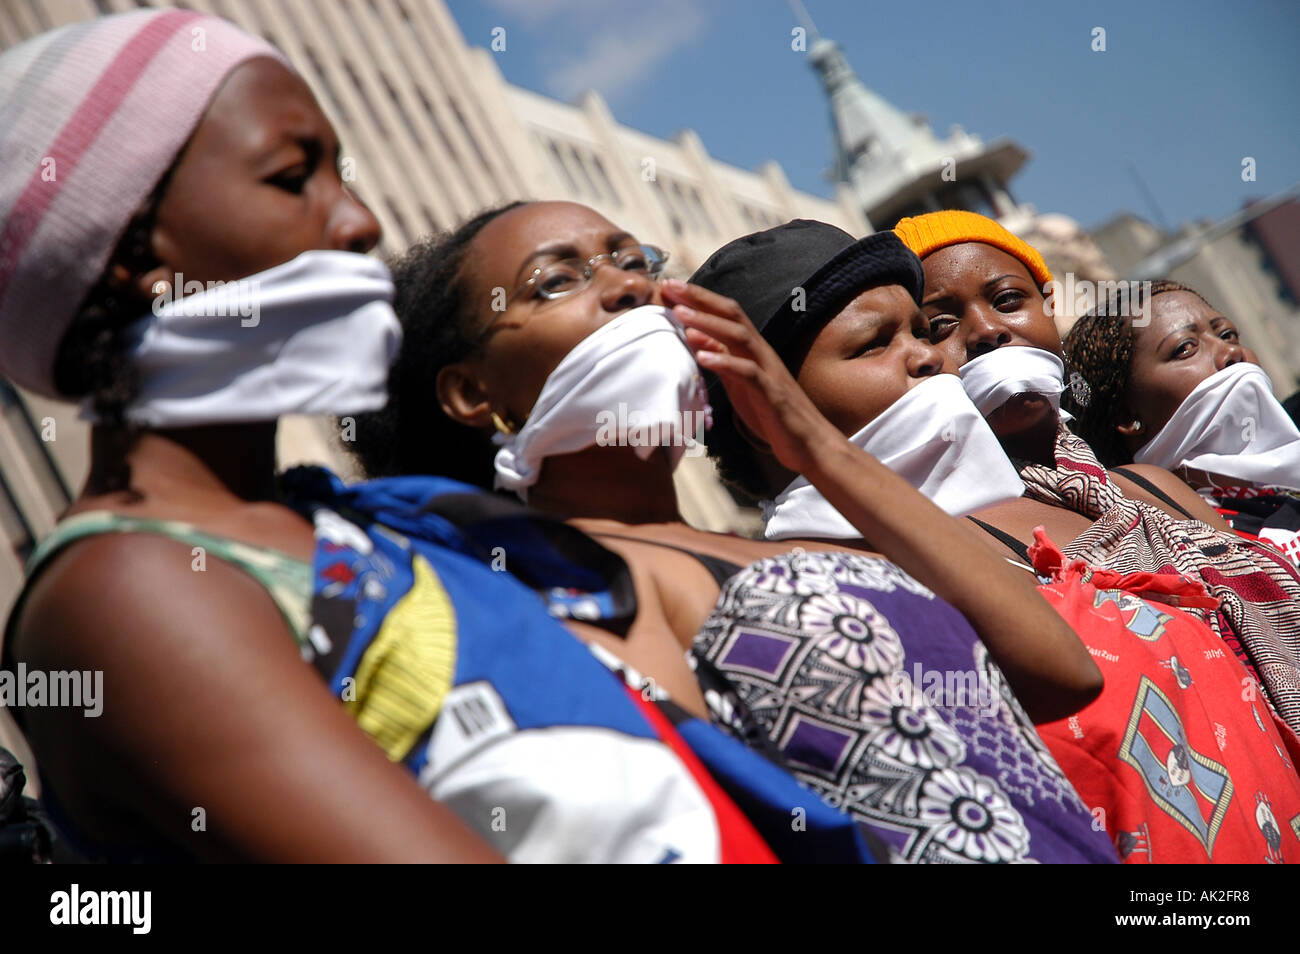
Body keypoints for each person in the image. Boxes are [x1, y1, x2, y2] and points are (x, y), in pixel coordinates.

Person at [1, 11, 858, 865]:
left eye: (343, 174)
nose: (361, 221)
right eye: (293, 175)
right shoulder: (124, 590)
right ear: (136, 253)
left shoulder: (375, 529)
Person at [354, 199, 1119, 863]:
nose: (626, 285)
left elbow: (1060, 670)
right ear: (469, 392)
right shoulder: (571, 591)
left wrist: (807, 438)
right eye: (559, 279)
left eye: (632, 260)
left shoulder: (794, 546)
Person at [691, 218, 1300, 863]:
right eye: (875, 342)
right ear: (764, 414)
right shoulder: (813, 594)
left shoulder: (1113, 495)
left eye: (919, 333)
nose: (930, 356)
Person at [893, 211, 1300, 737]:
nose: (988, 330)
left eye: (1009, 300)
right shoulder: (958, 541)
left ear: (1048, 309)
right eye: (942, 325)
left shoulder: (1152, 488)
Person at [1062, 281, 1300, 569]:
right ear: (1126, 417)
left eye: (1228, 334)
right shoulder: (1168, 556)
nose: (1230, 353)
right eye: (1185, 348)